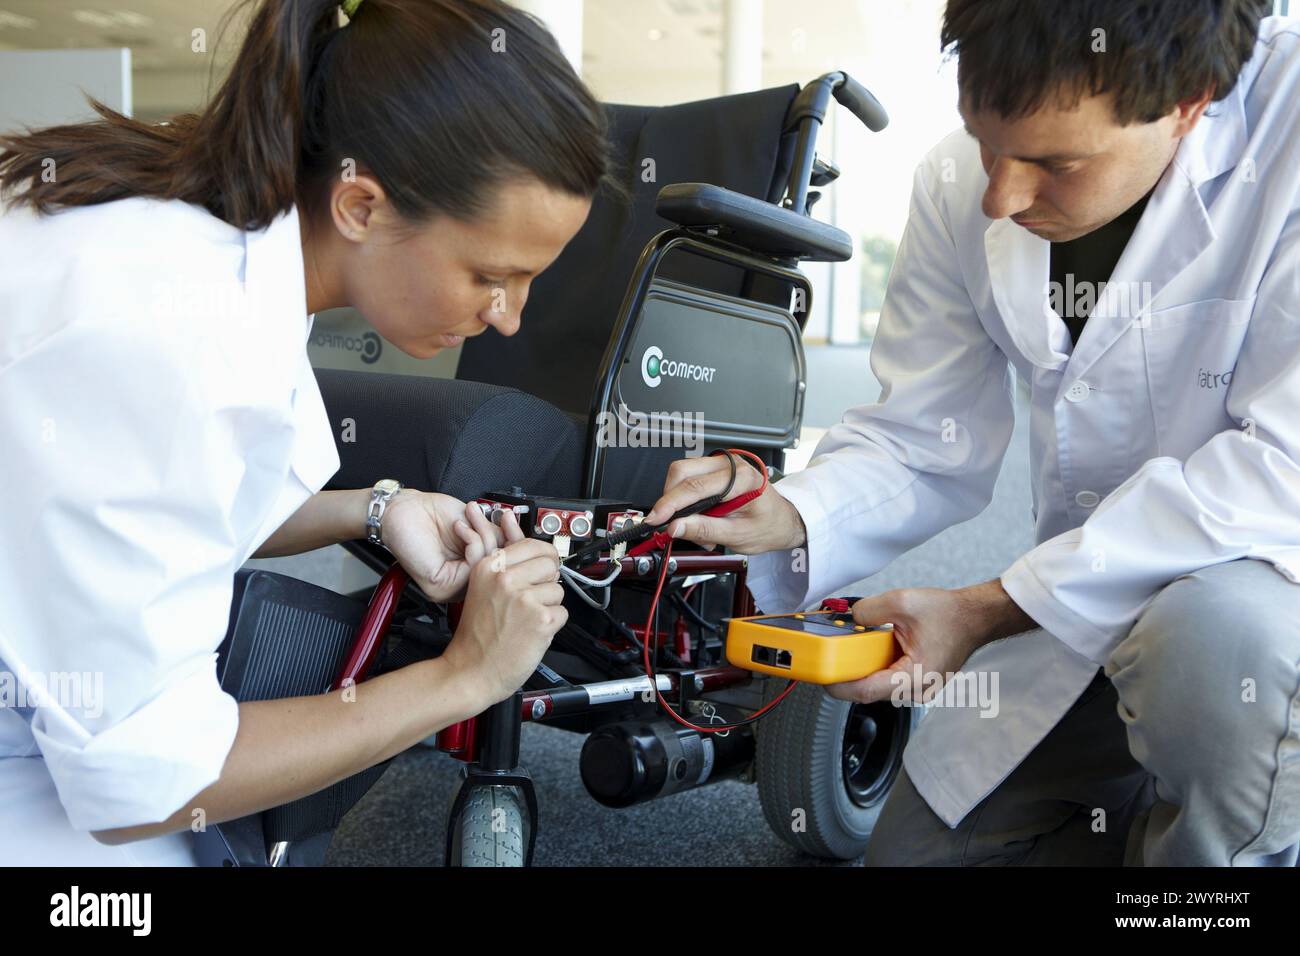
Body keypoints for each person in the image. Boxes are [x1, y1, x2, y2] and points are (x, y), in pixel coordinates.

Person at [647, 1, 1300, 866]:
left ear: (1191, 100)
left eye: (1052, 163)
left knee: (1218, 641)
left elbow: (1280, 472)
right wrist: (790, 511)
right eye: (986, 143)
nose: (1002, 194)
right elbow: (923, 433)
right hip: (1075, 610)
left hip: (1257, 613)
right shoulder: (962, 179)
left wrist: (987, 608)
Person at [0, 0, 610, 864]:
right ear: (361, 204)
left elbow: (184, 503)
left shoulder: (210, 239)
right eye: (491, 275)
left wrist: (372, 509)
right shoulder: (177, 339)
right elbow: (146, 783)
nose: (509, 319)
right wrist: (463, 676)